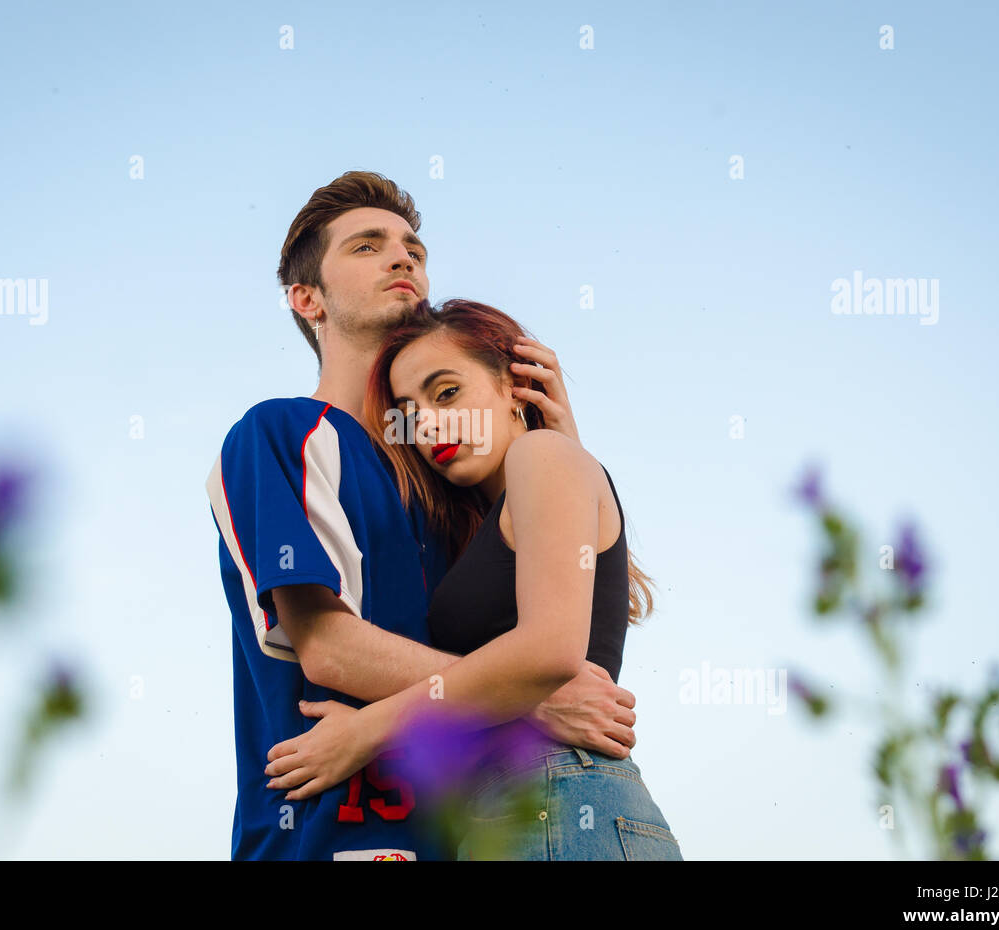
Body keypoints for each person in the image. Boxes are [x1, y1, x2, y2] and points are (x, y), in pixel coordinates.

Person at [205, 171, 640, 860]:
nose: (403, 256)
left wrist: (551, 440)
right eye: (367, 246)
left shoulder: (452, 481)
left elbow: (569, 620)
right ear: (306, 297)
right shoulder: (281, 434)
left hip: (475, 836)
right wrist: (534, 696)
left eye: (414, 246)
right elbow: (327, 645)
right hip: (325, 837)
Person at [263, 298, 685, 861]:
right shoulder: (492, 517)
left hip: (560, 796)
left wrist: (366, 732)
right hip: (509, 811)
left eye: (447, 393)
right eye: (410, 413)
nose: (429, 423)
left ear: (516, 386)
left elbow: (547, 653)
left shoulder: (543, 455)